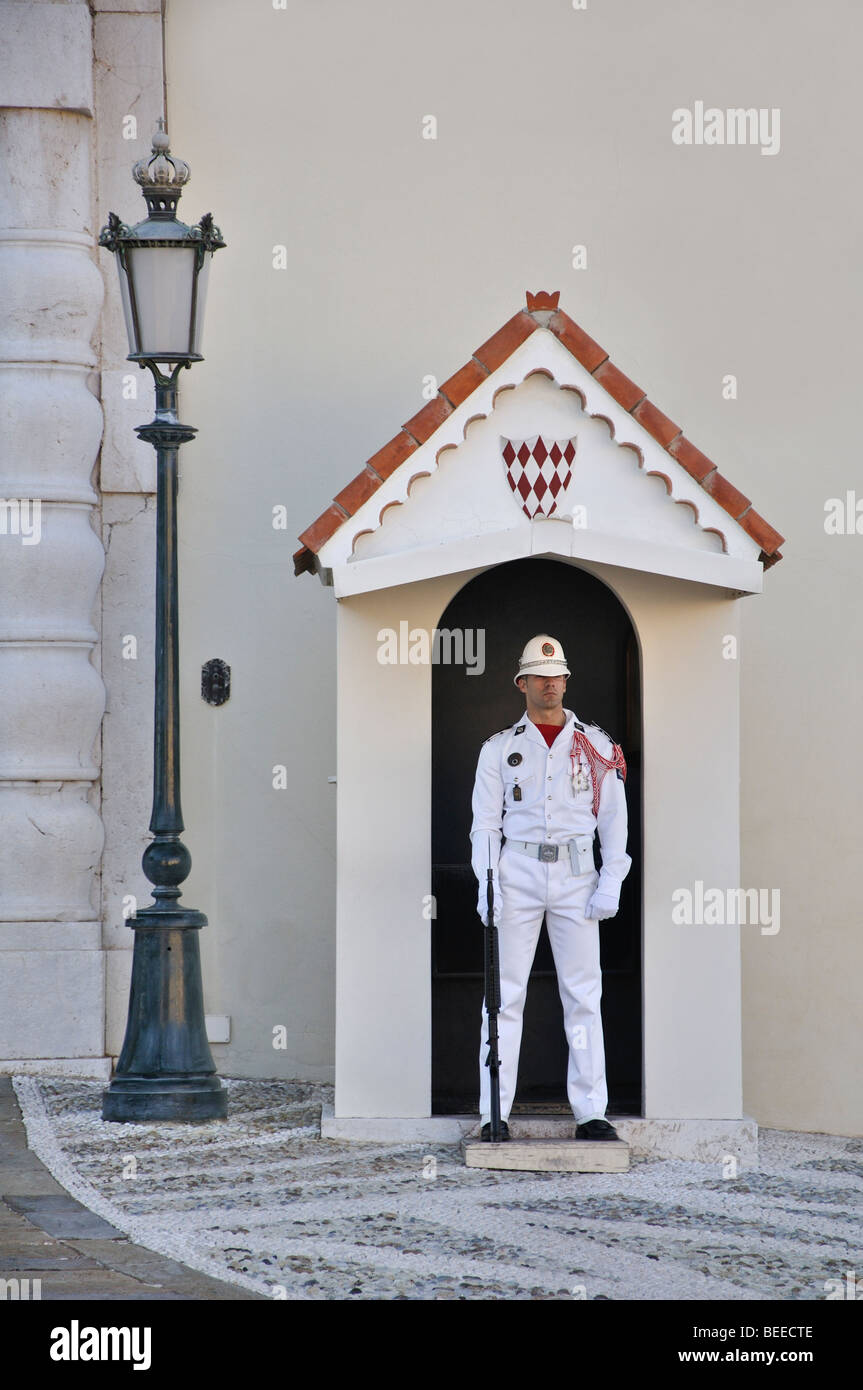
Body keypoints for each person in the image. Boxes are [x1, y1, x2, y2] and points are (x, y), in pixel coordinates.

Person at [470, 634, 631, 1141]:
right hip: (516, 872)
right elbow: (485, 825)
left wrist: (612, 879)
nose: (549, 683)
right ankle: (494, 1111)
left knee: (583, 995)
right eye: (539, 676)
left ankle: (590, 1111)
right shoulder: (499, 748)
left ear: (566, 680)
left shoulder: (596, 744)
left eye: (557, 675)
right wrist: (487, 883)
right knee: (503, 997)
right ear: (522, 683)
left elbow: (614, 820)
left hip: (575, 876)